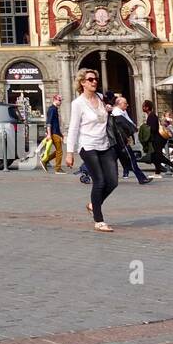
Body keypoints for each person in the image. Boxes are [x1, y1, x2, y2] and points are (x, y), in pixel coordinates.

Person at [64, 68, 121, 232]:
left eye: (95, 79)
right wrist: (70, 153)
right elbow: (73, 128)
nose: (94, 81)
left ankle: (92, 205)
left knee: (113, 182)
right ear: (82, 83)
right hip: (87, 146)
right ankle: (99, 220)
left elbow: (112, 115)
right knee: (100, 181)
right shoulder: (78, 104)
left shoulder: (102, 98)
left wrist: (112, 109)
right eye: (90, 79)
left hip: (105, 144)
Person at [114, 95, 152, 184]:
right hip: (122, 141)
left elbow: (128, 124)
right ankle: (141, 178)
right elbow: (124, 127)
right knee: (131, 159)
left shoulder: (121, 112)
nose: (127, 105)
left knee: (112, 160)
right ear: (119, 104)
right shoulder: (117, 113)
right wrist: (130, 134)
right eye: (125, 103)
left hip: (120, 141)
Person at [141, 99, 173, 176]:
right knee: (154, 157)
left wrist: (145, 128)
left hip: (157, 139)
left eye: (143, 106)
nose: (142, 108)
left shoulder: (151, 116)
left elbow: (153, 129)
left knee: (158, 156)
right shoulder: (151, 115)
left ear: (147, 107)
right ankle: (157, 172)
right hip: (156, 139)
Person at [42, 94, 65, 173]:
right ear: (55, 99)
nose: (61, 102)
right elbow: (49, 122)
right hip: (54, 133)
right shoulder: (52, 109)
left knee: (58, 151)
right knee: (59, 151)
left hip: (56, 133)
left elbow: (55, 123)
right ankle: (57, 169)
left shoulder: (54, 109)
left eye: (61, 100)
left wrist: (61, 134)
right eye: (59, 100)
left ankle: (45, 160)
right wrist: (49, 134)